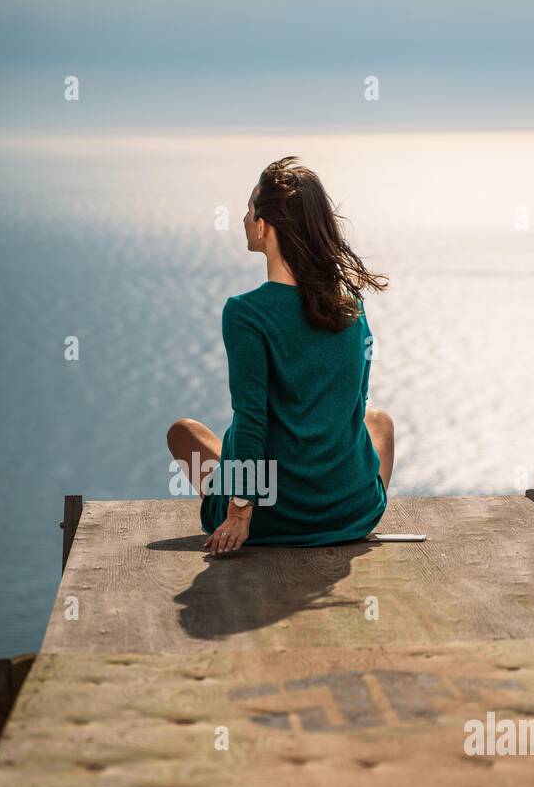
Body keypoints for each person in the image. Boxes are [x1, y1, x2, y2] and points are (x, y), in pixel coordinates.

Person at [167, 156, 394, 556]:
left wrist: (239, 513)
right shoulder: (351, 306)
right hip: (350, 513)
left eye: (250, 208)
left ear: (263, 226)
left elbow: (253, 419)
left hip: (269, 517)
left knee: (183, 433)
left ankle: (242, 486)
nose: (244, 217)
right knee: (379, 422)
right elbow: (355, 405)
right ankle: (339, 508)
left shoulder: (245, 312)